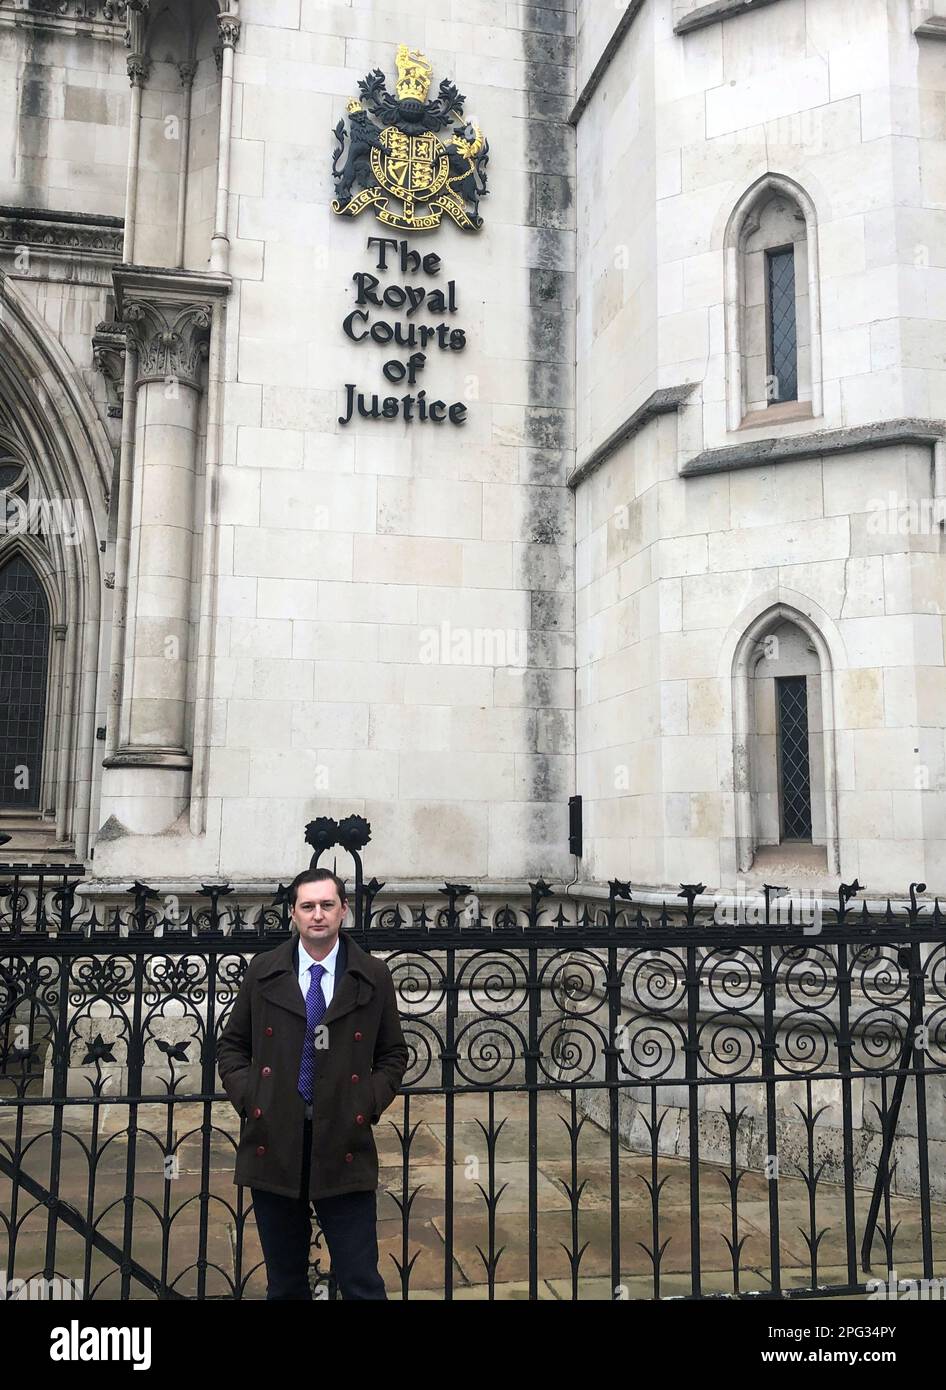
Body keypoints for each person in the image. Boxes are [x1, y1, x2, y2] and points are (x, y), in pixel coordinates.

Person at [217, 867, 408, 1300]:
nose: (317, 915)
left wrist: (366, 1102)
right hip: (275, 1139)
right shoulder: (264, 971)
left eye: (326, 905)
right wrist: (252, 1098)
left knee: (361, 1281)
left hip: (343, 1140)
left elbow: (393, 1053)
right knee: (285, 1286)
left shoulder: (372, 976)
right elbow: (231, 1047)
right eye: (308, 906)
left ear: (344, 911)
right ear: (294, 914)